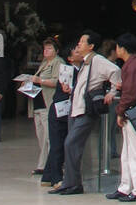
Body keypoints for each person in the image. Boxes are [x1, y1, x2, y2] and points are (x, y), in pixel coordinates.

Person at [49, 31, 121, 196]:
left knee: (70, 144)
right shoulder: (85, 63)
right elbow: (84, 86)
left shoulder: (97, 60)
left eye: (82, 42)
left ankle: (73, 183)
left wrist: (112, 92)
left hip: (85, 111)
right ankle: (70, 182)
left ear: (91, 46)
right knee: (72, 146)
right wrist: (71, 91)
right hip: (76, 109)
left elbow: (116, 72)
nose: (78, 45)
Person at [106, 34, 136, 202]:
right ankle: (125, 187)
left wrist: (120, 111)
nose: (116, 49)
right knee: (127, 153)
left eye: (118, 46)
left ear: (122, 48)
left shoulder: (132, 66)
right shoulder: (134, 64)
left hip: (133, 114)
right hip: (133, 114)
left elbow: (131, 93)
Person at [41, 42, 81, 187]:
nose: (80, 53)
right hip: (59, 111)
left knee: (57, 143)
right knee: (58, 144)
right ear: (70, 58)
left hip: (64, 111)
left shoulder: (79, 69)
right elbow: (67, 88)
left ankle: (47, 176)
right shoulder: (68, 70)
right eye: (76, 52)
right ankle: (56, 178)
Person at [27, 37, 63, 175]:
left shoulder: (57, 62)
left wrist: (39, 80)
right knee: (41, 136)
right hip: (38, 103)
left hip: (48, 102)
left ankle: (48, 165)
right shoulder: (44, 63)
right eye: (45, 48)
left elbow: (56, 81)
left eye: (49, 48)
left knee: (49, 136)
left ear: (56, 50)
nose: (46, 51)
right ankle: (43, 163)